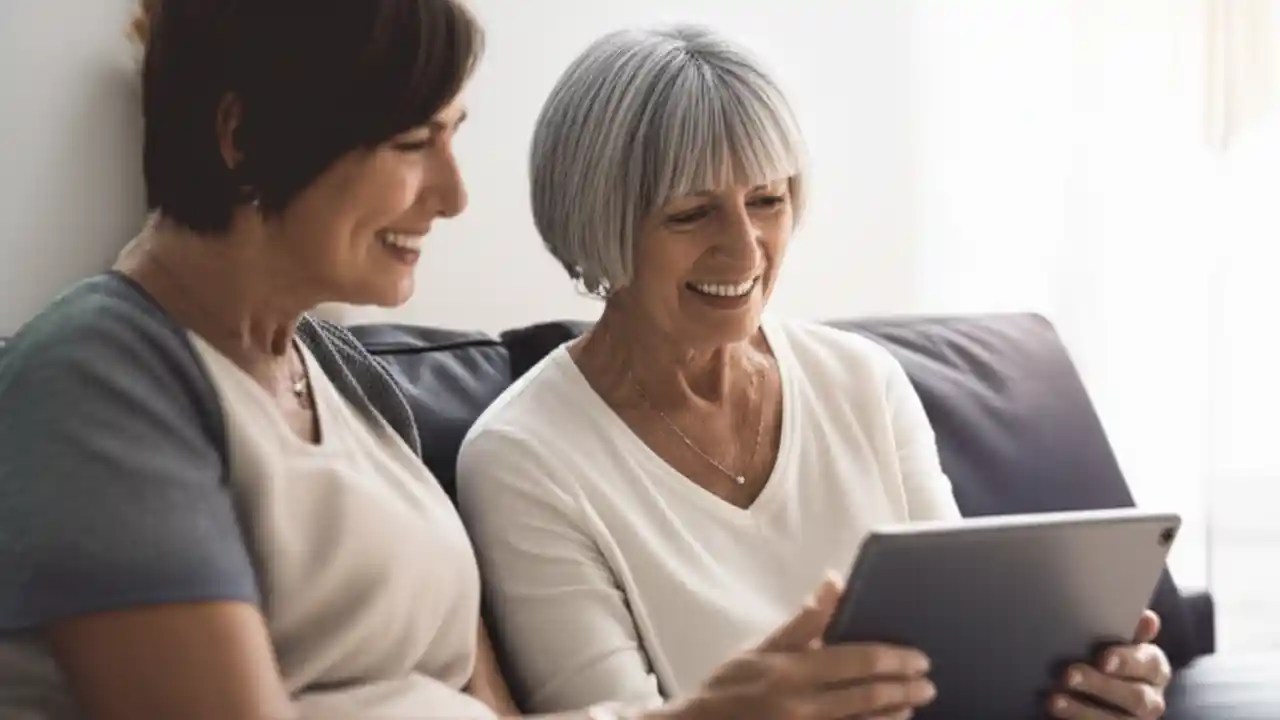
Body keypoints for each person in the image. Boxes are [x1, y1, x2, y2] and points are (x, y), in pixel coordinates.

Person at [0, 2, 949, 719]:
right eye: (416, 143)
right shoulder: (103, 377)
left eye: (453, 139)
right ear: (242, 137)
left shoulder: (344, 380)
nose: (454, 196)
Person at [456, 24, 1173, 720]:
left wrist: (1077, 687)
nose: (745, 250)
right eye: (693, 213)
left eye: (766, 201)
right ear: (600, 219)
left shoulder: (863, 381)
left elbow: (968, 651)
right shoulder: (524, 459)